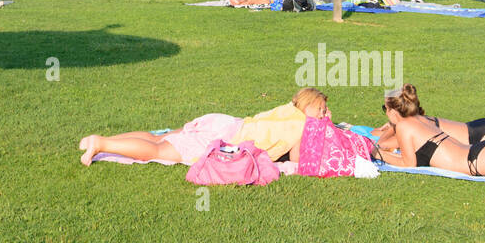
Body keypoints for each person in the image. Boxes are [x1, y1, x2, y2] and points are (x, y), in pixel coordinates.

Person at [78, 87, 329, 166]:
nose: (324, 114)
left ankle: (101, 141)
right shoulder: (303, 125)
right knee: (160, 151)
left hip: (225, 121)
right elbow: (297, 163)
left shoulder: (287, 109)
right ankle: (101, 143)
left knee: (161, 137)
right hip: (226, 139)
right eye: (322, 109)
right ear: (310, 106)